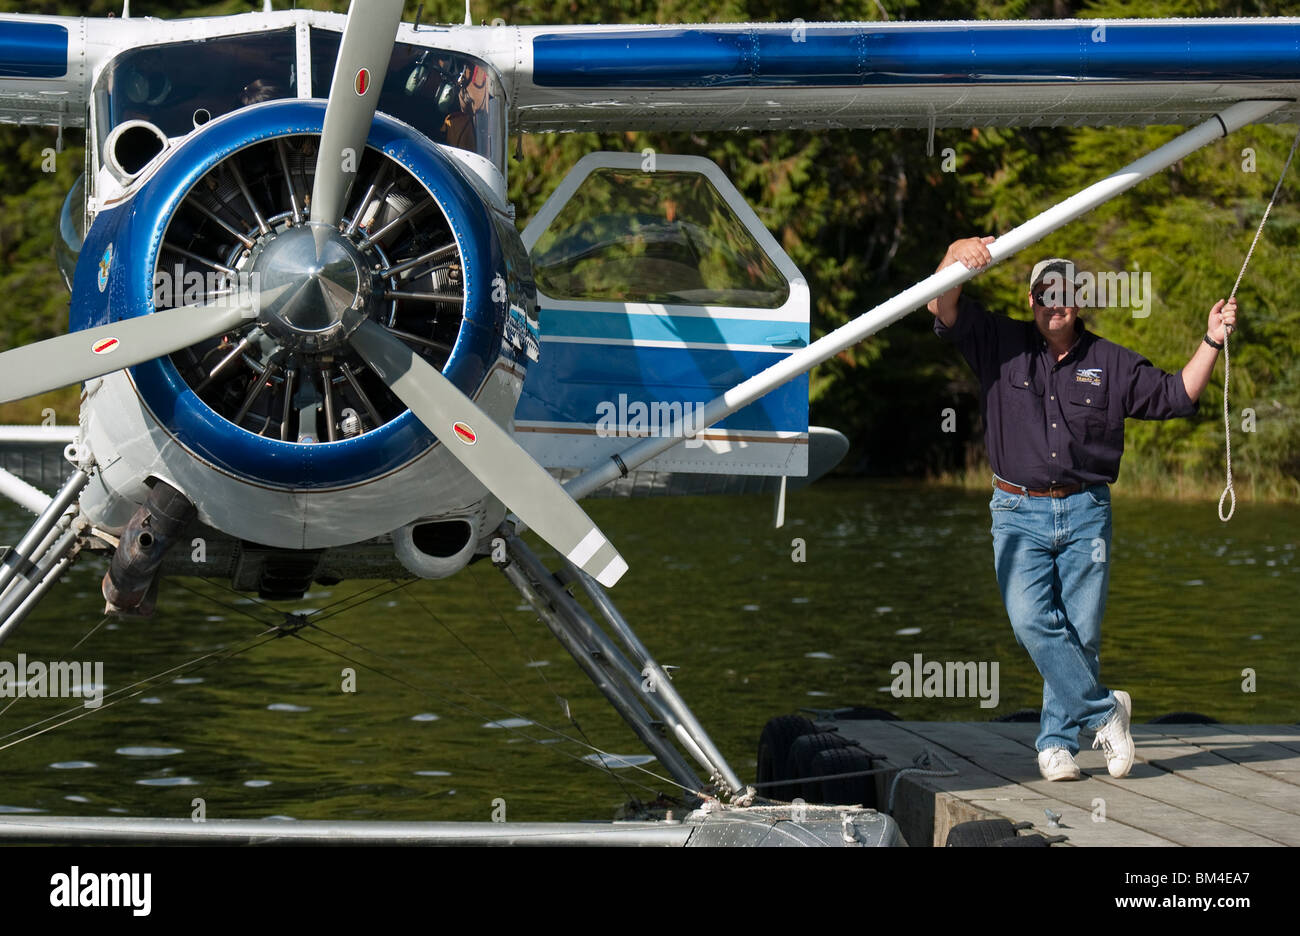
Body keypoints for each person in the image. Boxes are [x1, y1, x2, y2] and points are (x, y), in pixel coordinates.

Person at [928, 236, 1237, 781]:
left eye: (1065, 293)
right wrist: (957, 253)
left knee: (1080, 635)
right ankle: (1104, 711)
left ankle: (1055, 745)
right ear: (1031, 300)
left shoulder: (1111, 362)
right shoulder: (997, 342)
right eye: (1045, 293)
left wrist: (1211, 341)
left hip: (1087, 512)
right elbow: (940, 304)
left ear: (1080, 301)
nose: (1055, 302)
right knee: (1030, 622)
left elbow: (1177, 397)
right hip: (1016, 510)